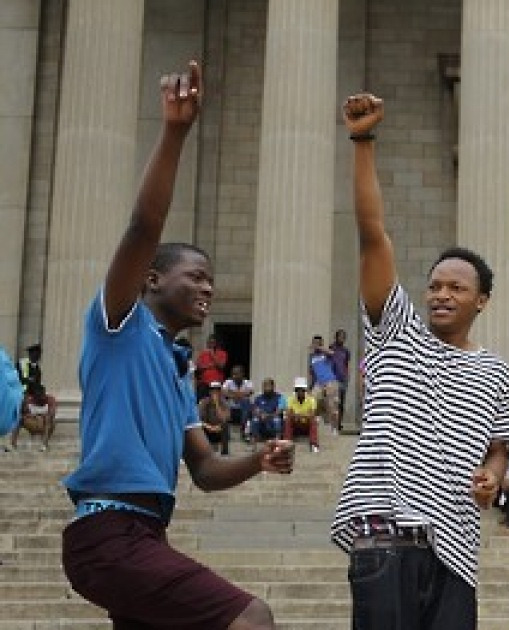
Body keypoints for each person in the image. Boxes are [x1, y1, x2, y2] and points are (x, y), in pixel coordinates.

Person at [60, 61, 294, 630]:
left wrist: (257, 461)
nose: (208, 286)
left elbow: (206, 469)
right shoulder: (117, 325)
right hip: (108, 533)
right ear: (151, 280)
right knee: (251, 618)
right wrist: (175, 132)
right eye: (195, 275)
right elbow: (144, 226)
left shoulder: (176, 368)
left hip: (142, 533)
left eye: (212, 278)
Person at [331, 93, 509, 630]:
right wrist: (363, 142)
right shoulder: (395, 333)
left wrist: (490, 478)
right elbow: (373, 237)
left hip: (457, 555)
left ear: (480, 300)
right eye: (434, 285)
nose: (440, 294)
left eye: (456, 288)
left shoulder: (498, 373)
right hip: (385, 542)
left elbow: (499, 453)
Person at [308, 335, 341, 433]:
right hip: (318, 383)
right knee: (312, 400)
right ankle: (316, 422)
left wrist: (320, 348)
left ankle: (334, 428)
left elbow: (332, 353)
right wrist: (310, 385)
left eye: (318, 343)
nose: (316, 345)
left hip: (330, 381)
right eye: (314, 343)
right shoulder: (312, 357)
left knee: (332, 406)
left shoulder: (326, 353)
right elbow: (311, 372)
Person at [11, 383, 56, 452]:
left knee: (49, 419)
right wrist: (31, 416)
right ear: (33, 396)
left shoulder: (50, 399)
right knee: (18, 419)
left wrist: (40, 416)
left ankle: (44, 445)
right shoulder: (28, 401)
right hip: (32, 422)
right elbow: (22, 413)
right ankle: (13, 444)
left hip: (44, 424)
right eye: (38, 396)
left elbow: (52, 414)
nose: (41, 397)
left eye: (42, 394)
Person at [284, 377, 320, 453]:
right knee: (288, 420)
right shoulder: (290, 399)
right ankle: (287, 444)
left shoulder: (311, 400)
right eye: (298, 390)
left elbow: (312, 414)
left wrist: (299, 415)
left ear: (305, 391)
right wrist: (301, 415)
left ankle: (314, 444)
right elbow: (289, 413)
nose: (300, 392)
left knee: (313, 421)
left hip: (306, 426)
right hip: (295, 425)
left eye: (302, 390)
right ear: (295, 391)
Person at [250, 378, 285, 450]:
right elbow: (255, 411)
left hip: (273, 422)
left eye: (267, 385)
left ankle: (277, 444)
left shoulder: (280, 397)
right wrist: (260, 415)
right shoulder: (258, 398)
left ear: (273, 387)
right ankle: (253, 445)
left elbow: (279, 411)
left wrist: (268, 416)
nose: (265, 388)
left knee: (277, 420)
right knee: (255, 420)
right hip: (262, 421)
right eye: (264, 386)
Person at [198, 381, 231, 455]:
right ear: (209, 392)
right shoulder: (203, 402)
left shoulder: (225, 403)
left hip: (218, 429)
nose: (215, 392)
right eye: (213, 390)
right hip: (207, 428)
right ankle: (201, 450)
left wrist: (217, 404)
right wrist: (209, 427)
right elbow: (198, 420)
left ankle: (224, 451)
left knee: (225, 426)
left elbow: (224, 419)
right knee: (198, 427)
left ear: (220, 392)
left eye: (217, 390)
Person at [222, 365, 254, 442]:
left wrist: (232, 393)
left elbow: (249, 392)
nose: (234, 376)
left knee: (246, 403)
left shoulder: (248, 382)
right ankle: (226, 435)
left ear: (242, 374)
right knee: (223, 403)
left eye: (237, 374)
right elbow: (224, 392)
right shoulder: (228, 382)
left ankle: (244, 432)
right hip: (231, 408)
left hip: (243, 409)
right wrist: (239, 395)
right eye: (233, 374)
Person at [195, 334, 227, 400]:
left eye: (212, 343)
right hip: (204, 382)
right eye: (209, 342)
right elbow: (198, 367)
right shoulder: (203, 354)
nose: (210, 344)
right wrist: (209, 366)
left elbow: (221, 366)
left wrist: (213, 356)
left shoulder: (222, 353)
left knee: (215, 402)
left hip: (216, 383)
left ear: (216, 343)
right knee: (202, 401)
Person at [330, 329, 352, 422]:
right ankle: (333, 423)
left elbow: (347, 364)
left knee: (341, 402)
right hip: (333, 379)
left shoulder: (346, 351)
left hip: (343, 379)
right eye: (340, 336)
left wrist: (348, 376)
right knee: (333, 402)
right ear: (336, 337)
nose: (341, 339)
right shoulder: (331, 348)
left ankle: (339, 423)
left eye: (343, 337)